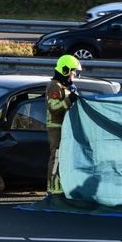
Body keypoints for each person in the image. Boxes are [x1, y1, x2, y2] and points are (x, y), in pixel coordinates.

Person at [46, 54, 81, 195]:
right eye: (73, 71)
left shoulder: (66, 86)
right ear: (65, 70)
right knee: (57, 156)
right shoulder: (55, 85)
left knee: (64, 158)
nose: (74, 74)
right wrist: (69, 100)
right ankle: (53, 188)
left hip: (64, 125)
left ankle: (60, 186)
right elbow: (53, 108)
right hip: (56, 126)